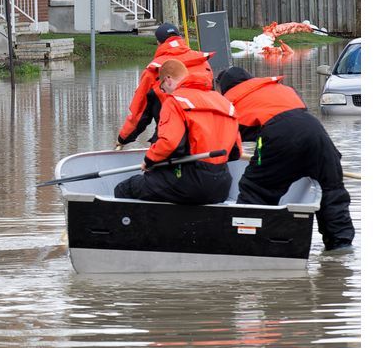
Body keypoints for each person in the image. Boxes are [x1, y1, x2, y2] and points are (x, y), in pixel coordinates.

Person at [216, 66, 355, 252]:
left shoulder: (230, 102)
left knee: (256, 189)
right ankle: (341, 247)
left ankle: (245, 244)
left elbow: (230, 145)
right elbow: (290, 119)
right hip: (315, 131)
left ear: (225, 87)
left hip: (279, 136)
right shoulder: (280, 89)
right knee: (332, 189)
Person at [114, 59, 241, 204]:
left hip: (190, 182)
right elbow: (236, 151)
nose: (163, 92)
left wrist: (149, 160)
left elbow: (169, 143)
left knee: (125, 188)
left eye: (162, 89)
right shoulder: (225, 103)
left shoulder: (175, 101)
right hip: (222, 184)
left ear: (168, 80)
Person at [115, 22, 214, 149]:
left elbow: (140, 113)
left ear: (158, 43)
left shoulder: (154, 70)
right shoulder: (203, 63)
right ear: (180, 38)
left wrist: (123, 138)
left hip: (172, 141)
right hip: (207, 138)